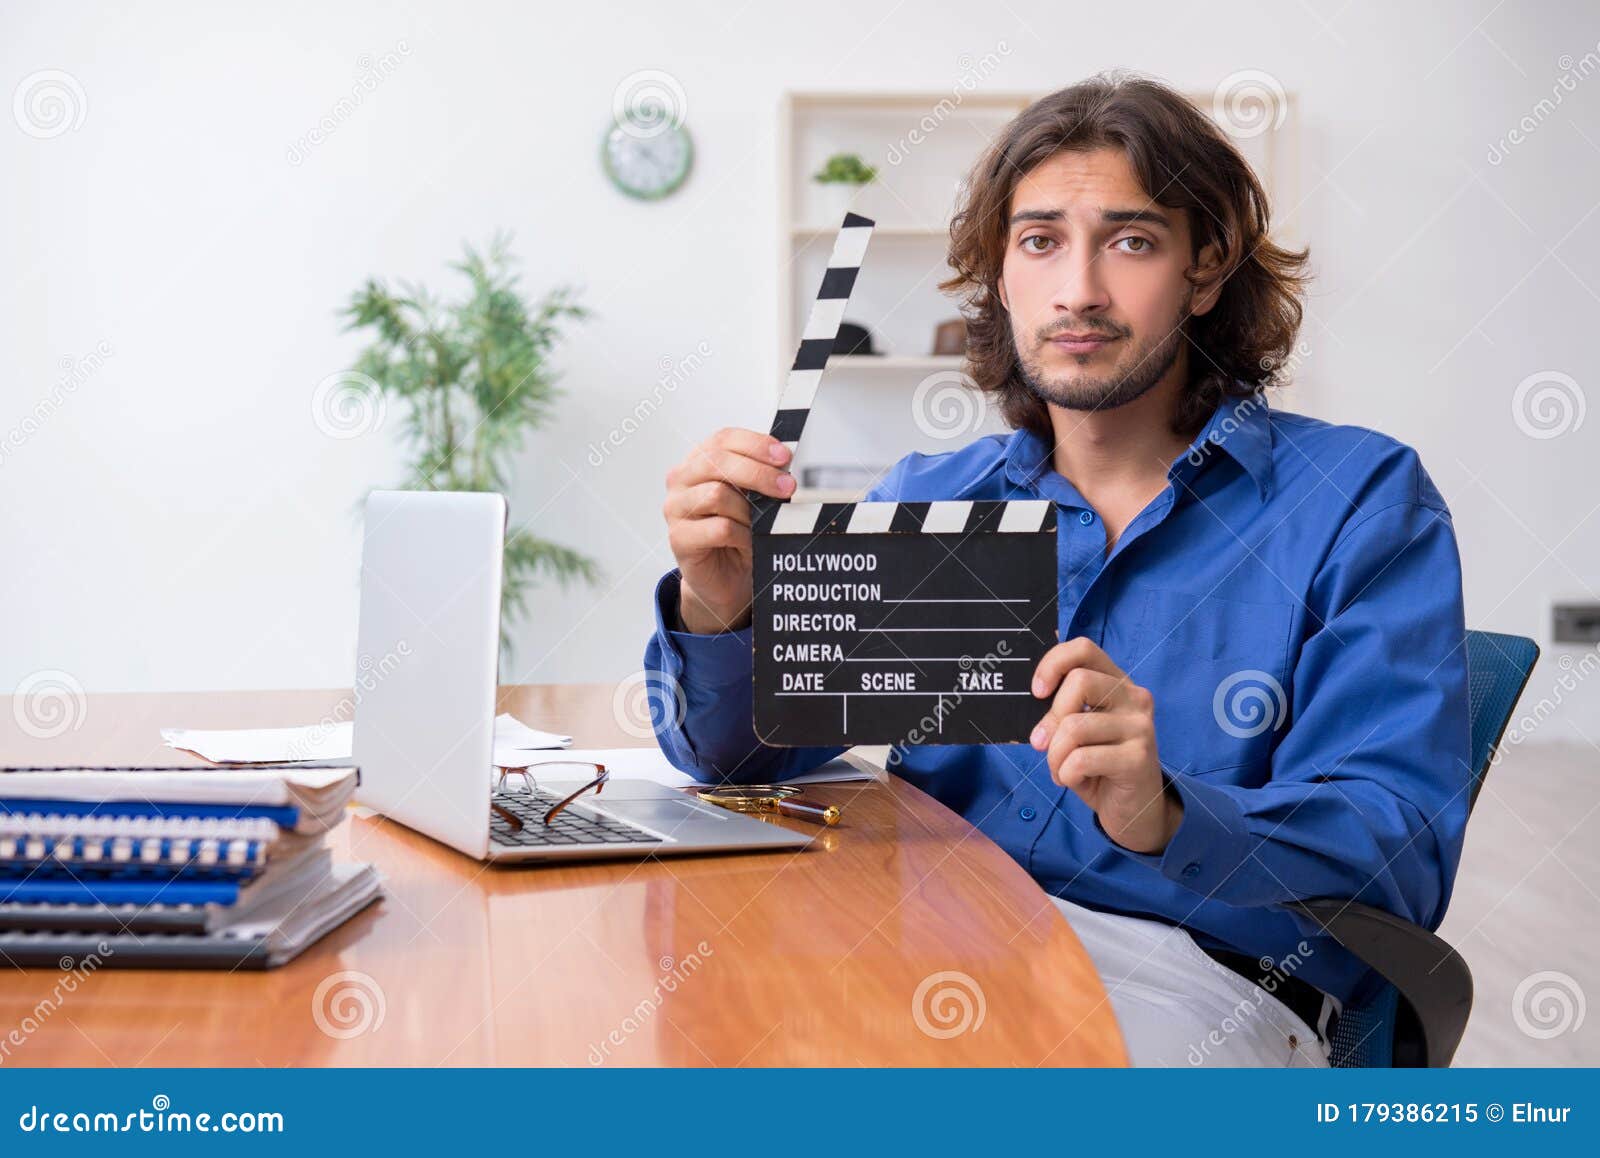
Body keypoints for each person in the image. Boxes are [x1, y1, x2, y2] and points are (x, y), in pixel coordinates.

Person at [643, 73, 1470, 1067]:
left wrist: (1166, 813)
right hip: (915, 942)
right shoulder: (930, 497)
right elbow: (738, 765)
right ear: (1000, 273)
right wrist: (722, 604)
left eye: (1129, 240)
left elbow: (1399, 851)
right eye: (1039, 241)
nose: (1078, 289)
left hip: (1187, 980)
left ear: (1204, 270)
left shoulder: (1359, 499)